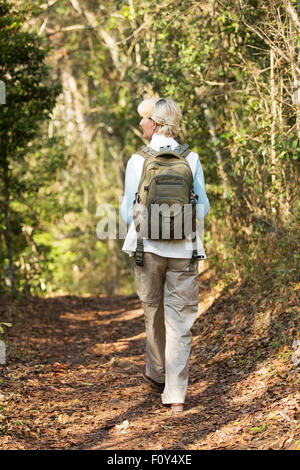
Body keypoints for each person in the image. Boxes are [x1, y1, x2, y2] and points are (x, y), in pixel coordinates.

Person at [120, 97, 210, 412]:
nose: (141, 123)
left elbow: (126, 214)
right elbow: (204, 209)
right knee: (180, 321)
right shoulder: (192, 158)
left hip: (148, 249)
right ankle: (176, 396)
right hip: (185, 249)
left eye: (145, 118)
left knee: (153, 312)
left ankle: (156, 372)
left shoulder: (137, 161)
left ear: (155, 123)